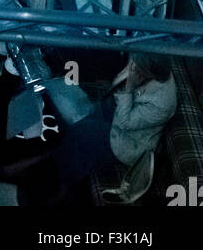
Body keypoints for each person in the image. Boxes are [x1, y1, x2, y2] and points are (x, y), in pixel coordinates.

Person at [49, 54, 177, 197]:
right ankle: (56, 163)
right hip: (117, 110)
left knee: (82, 132)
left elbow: (125, 123)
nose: (133, 68)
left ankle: (64, 186)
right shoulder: (142, 61)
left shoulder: (163, 103)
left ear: (149, 72)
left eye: (138, 68)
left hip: (128, 141)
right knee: (75, 132)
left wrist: (129, 88)